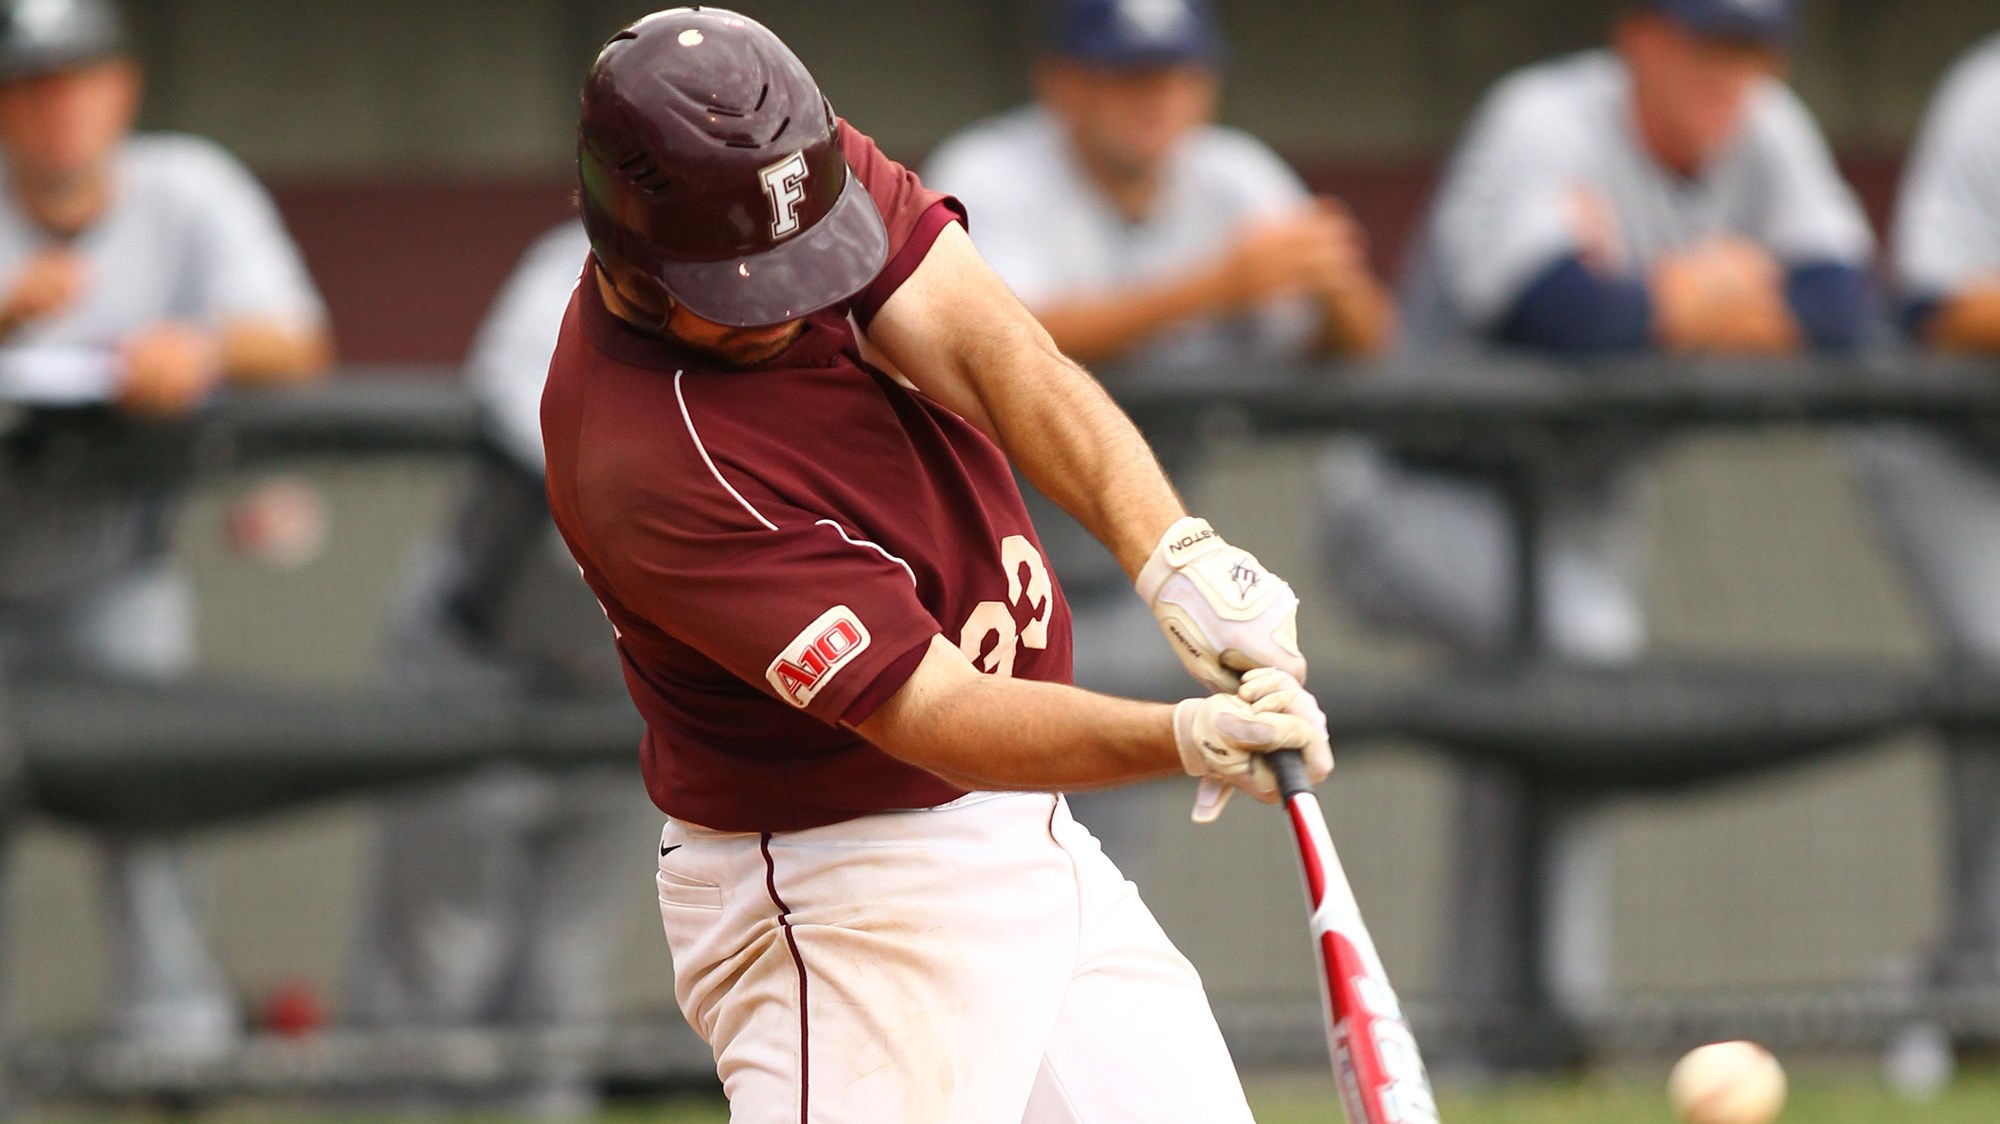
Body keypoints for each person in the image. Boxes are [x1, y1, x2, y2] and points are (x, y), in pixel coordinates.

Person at [544, 9, 1338, 1119]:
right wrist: (1180, 735)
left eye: (802, 261)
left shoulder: (783, 177)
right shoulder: (646, 461)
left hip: (1025, 830)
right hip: (844, 893)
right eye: (746, 287)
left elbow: (990, 344)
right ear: (634, 261)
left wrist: (1174, 549)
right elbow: (935, 712)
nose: (791, 300)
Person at [1317, 0, 1875, 1063]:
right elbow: (1561, 313)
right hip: (1416, 492)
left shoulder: (1765, 128)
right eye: (1708, 46)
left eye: (1753, 51)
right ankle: (1542, 1025)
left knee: (1538, 732)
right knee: (1580, 670)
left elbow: (1844, 309)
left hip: (1572, 517)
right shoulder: (1541, 119)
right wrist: (1713, 292)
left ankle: (1500, 1032)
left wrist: (1662, 296)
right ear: (1641, 39)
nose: (1731, 76)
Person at [921, 0, 1391, 873]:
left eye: (1176, 75)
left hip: (1123, 585)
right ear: (1064, 82)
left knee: (1096, 865)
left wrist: (1332, 290)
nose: (1157, 99)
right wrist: (1214, 287)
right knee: (959, 848)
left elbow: (1364, 341)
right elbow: (1001, 341)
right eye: (1129, 76)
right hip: (969, 587)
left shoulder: (1233, 175)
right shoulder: (988, 172)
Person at [0, 0, 329, 1054]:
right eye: (31, 85)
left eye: (76, 78)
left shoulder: (184, 187)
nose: (57, 106)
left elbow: (296, 341)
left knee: (154, 810)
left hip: (112, 570)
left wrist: (201, 347)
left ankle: (171, 1053)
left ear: (121, 87)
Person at [343, 221, 658, 1118]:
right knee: (435, 967)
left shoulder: (783, 293)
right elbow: (546, 434)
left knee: (564, 977)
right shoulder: (575, 268)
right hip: (482, 662)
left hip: (628, 687)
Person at [1854, 28, 2000, 1063]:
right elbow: (1936, 301)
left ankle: (1960, 985)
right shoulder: (1989, 94)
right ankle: (1966, 999)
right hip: (1945, 444)